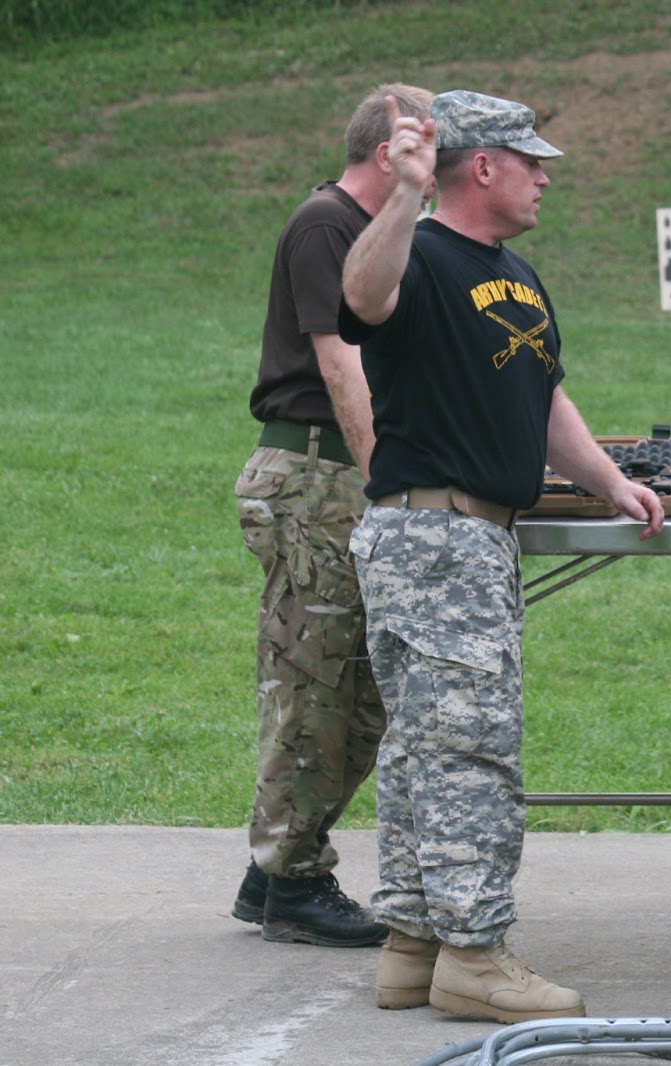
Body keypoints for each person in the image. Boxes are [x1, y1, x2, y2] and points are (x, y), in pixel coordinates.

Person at [338, 89, 665, 1023]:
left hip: (463, 536)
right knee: (470, 754)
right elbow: (362, 298)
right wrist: (402, 195)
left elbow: (542, 396)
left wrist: (609, 480)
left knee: (420, 751)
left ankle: (412, 945)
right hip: (437, 533)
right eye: (531, 160)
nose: (545, 175)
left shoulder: (514, 273)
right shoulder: (416, 252)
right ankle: (476, 957)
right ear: (481, 166)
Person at [232, 83, 433, 948]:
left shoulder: (379, 230)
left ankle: (277, 860)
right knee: (315, 685)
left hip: (339, 475)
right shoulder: (327, 225)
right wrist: (388, 482)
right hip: (316, 473)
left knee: (357, 690)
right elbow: (340, 366)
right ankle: (293, 883)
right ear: (387, 155)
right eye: (425, 147)